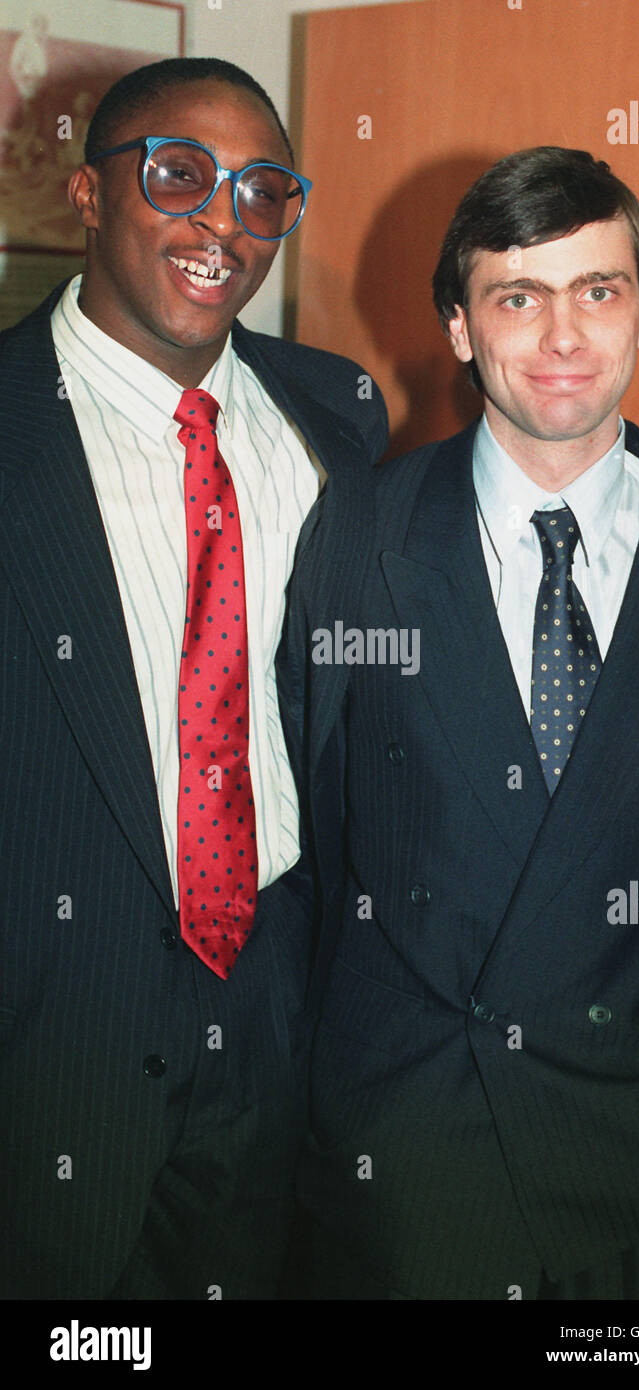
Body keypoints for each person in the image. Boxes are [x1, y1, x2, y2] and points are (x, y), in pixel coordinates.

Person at [280, 147, 639, 1299]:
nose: (562, 336)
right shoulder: (355, 537)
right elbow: (313, 843)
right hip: (403, 1159)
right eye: (516, 298)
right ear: (460, 329)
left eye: (597, 290)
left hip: (630, 1157)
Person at [0, 56, 386, 1299]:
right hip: (50, 1024)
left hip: (278, 995)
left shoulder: (335, 417)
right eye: (179, 175)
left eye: (263, 190)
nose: (224, 220)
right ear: (87, 195)